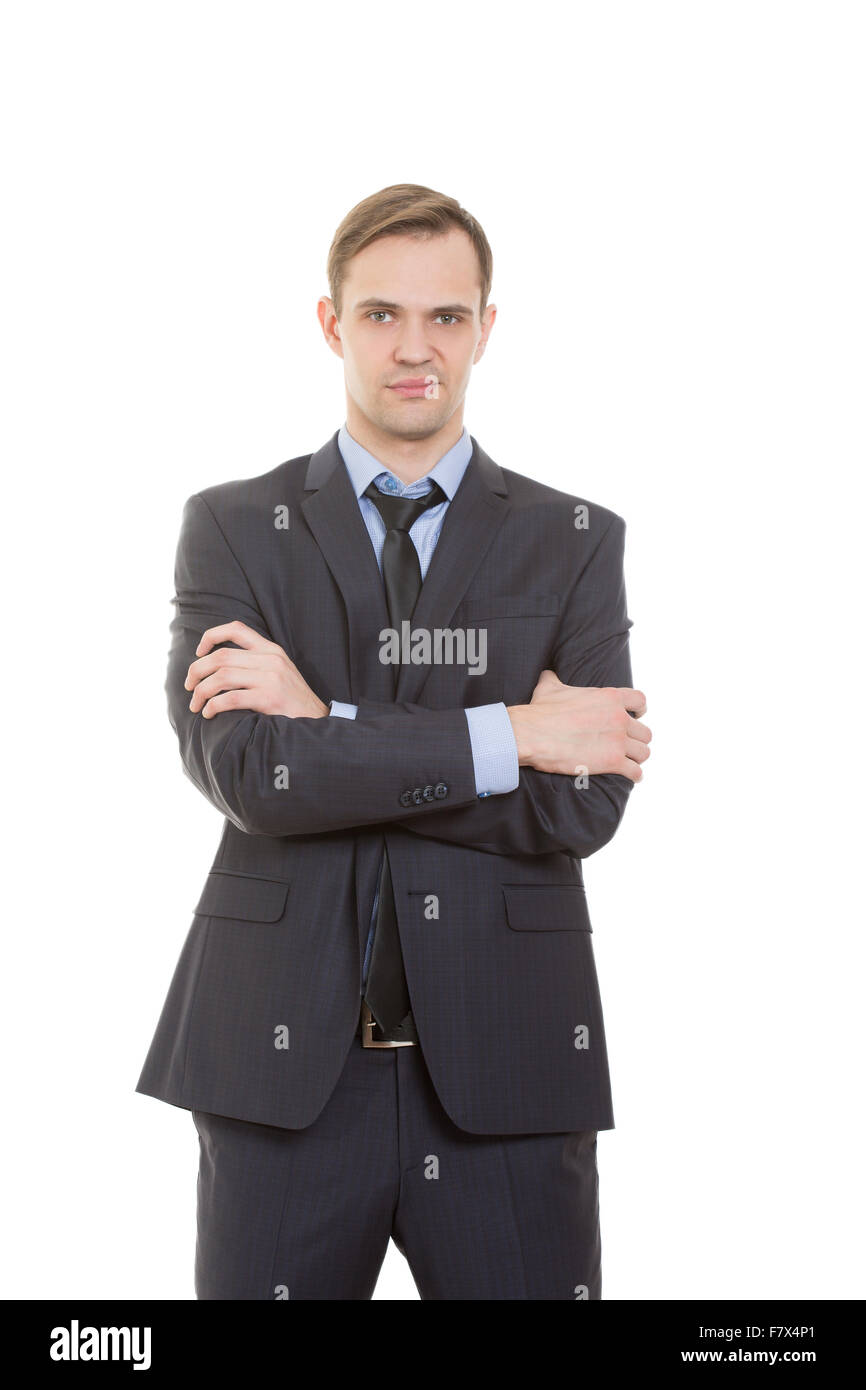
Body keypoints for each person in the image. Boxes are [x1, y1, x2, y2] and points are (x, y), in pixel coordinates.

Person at [136, 182, 652, 1300]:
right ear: (331, 323)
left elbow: (580, 804)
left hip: (508, 1065)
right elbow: (252, 776)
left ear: (484, 330)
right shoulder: (231, 526)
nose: (413, 348)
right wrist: (514, 730)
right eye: (380, 314)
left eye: (445, 317)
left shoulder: (571, 542)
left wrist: (327, 724)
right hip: (281, 1074)